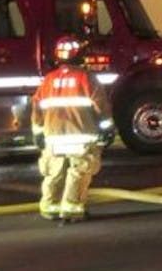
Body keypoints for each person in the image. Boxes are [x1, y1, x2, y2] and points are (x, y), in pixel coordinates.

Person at [30, 35, 113, 223]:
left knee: (54, 173)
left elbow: (36, 108)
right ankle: (72, 208)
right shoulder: (87, 78)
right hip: (81, 137)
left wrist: (38, 134)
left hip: (53, 137)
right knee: (79, 172)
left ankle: (50, 207)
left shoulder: (48, 80)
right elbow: (102, 107)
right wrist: (108, 129)